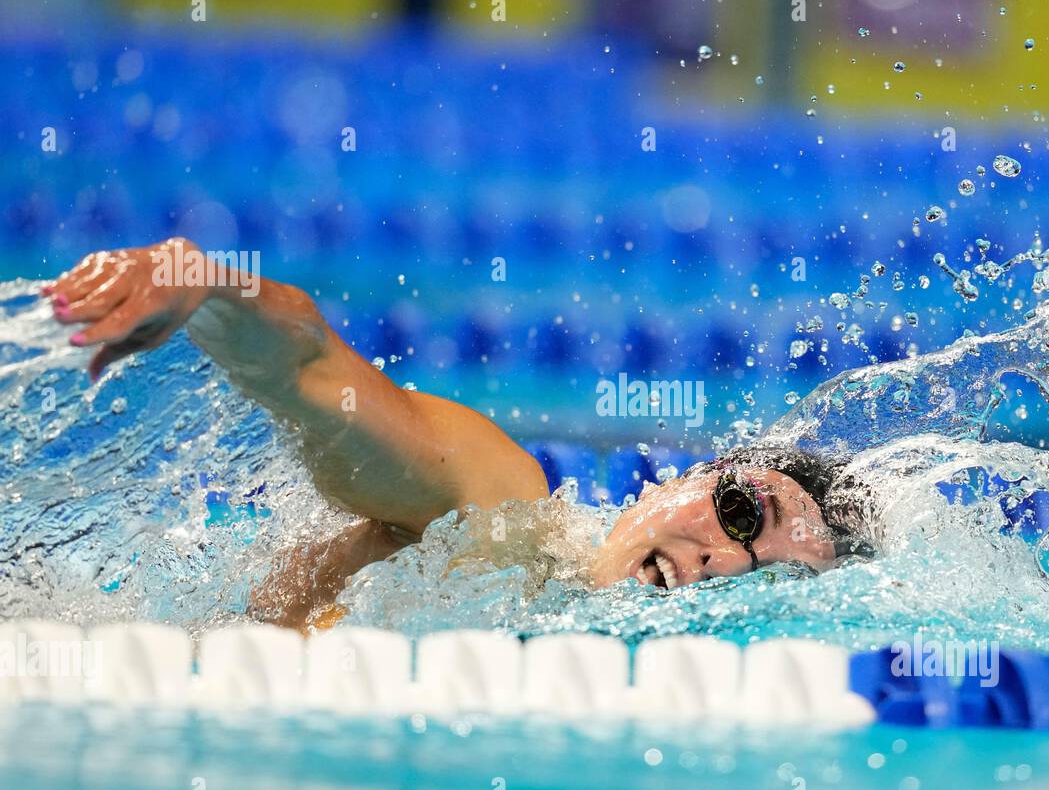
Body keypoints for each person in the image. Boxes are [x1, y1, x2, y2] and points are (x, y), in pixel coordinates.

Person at [45, 241, 858, 629]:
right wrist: (201, 283)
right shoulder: (500, 513)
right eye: (745, 514)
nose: (722, 563)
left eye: (768, 582)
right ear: (692, 475)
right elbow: (311, 368)